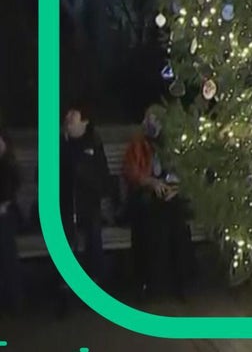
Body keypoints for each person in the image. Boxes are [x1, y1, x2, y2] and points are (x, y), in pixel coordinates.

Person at [122, 105, 194, 298]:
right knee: (155, 220)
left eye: (156, 119)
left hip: (168, 195)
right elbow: (131, 172)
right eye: (149, 119)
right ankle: (155, 282)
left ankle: (180, 280)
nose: (152, 123)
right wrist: (151, 182)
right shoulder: (137, 144)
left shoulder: (171, 144)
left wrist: (175, 189)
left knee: (177, 221)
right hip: (144, 195)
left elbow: (182, 173)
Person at [61, 108, 111, 284]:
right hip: (66, 202)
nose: (68, 124)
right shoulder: (60, 144)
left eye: (73, 120)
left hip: (89, 202)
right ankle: (66, 280)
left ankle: (96, 278)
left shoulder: (92, 143)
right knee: (64, 232)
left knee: (93, 231)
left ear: (84, 123)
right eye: (67, 121)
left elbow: (102, 175)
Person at [0, 124, 22, 315]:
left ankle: (13, 297)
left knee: (5, 239)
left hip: (7, 212)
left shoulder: (9, 165)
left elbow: (10, 193)